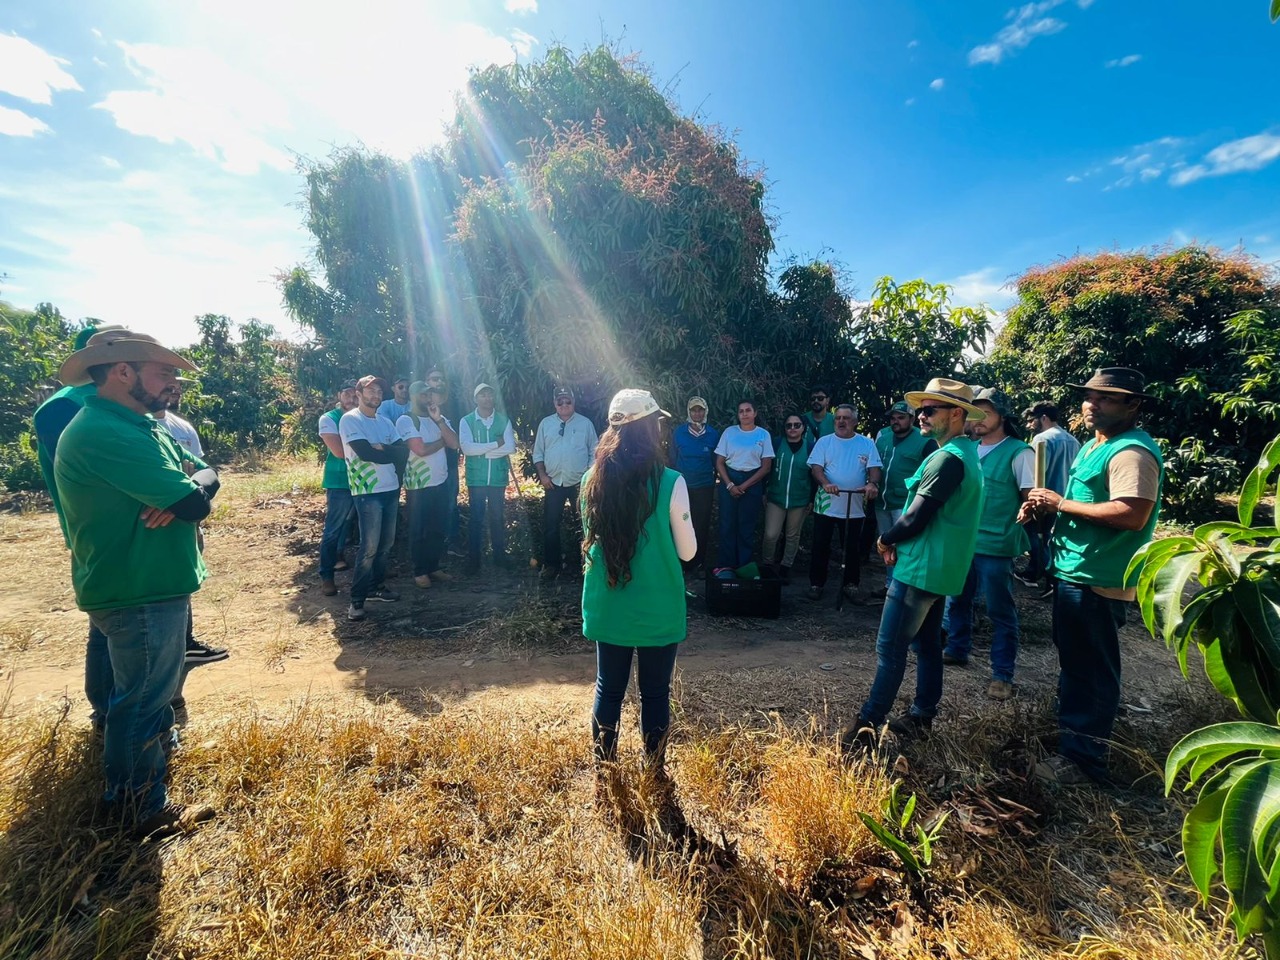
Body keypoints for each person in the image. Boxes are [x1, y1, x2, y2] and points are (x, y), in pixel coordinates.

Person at [54, 329, 220, 839]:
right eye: (164, 371)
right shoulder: (109, 432)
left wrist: (188, 488)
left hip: (135, 581)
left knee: (125, 695)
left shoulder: (139, 424)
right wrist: (188, 494)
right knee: (147, 699)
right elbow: (197, 502)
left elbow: (206, 474)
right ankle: (136, 808)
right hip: (139, 588)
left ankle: (124, 775)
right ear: (122, 371)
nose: (173, 382)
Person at [1019, 367, 1163, 786]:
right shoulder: (1093, 446)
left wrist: (1060, 503)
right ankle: (1074, 740)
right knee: (1076, 662)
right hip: (1074, 571)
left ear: (1133, 405)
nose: (1092, 404)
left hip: (1098, 578)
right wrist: (1045, 507)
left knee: (1092, 670)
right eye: (1089, 396)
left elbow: (1132, 513)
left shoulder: (1131, 453)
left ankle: (1084, 761)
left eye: (1106, 398)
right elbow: (1084, 504)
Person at [845, 379, 985, 748]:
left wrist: (885, 539)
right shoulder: (964, 454)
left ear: (956, 414)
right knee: (925, 647)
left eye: (930, 410)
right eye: (921, 409)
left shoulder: (947, 459)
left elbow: (917, 517)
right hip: (938, 568)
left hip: (920, 569)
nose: (921, 415)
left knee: (890, 650)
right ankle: (922, 715)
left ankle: (865, 728)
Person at [582, 388, 696, 774]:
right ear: (650, 428)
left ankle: (605, 770)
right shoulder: (672, 482)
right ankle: (654, 771)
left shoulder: (590, 481)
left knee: (608, 689)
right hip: (657, 607)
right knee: (655, 694)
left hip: (609, 602)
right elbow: (688, 553)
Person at [940, 388, 1033, 700]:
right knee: (957, 599)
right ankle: (956, 648)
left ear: (1003, 417)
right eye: (974, 413)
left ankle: (1002, 673)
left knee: (999, 609)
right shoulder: (968, 449)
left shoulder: (1020, 452)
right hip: (965, 541)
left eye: (986, 413)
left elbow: (1029, 500)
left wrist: (1028, 513)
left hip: (997, 545)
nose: (977, 420)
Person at [154, 378, 230, 703]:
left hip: (187, 522)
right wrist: (183, 487)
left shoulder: (180, 428)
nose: (173, 390)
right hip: (151, 530)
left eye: (177, 387)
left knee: (183, 589)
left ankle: (186, 645)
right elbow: (188, 480)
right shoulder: (132, 430)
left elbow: (205, 475)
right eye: (167, 383)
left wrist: (182, 493)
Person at [339, 375, 407, 620]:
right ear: (358, 393)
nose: (376, 394)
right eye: (371, 390)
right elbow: (366, 453)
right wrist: (387, 451)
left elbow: (404, 453)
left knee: (385, 545)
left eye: (379, 390)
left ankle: (376, 588)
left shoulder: (385, 422)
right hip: (367, 491)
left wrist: (384, 449)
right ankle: (357, 601)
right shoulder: (350, 420)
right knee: (368, 547)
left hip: (390, 488)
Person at [805, 404, 883, 604]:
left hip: (854, 505)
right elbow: (816, 468)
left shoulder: (866, 444)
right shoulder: (824, 442)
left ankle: (851, 584)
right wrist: (825, 483)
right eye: (838, 418)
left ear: (855, 422)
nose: (841, 421)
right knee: (821, 544)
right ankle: (816, 584)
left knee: (851, 547)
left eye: (846, 418)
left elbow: (874, 468)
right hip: (827, 504)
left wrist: (872, 484)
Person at [397, 381, 460, 589]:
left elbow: (454, 443)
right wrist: (441, 442)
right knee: (419, 529)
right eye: (423, 394)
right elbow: (420, 450)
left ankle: (433, 566)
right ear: (413, 396)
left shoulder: (439, 419)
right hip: (418, 483)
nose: (427, 397)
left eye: (430, 394)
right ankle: (420, 570)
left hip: (441, 481)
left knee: (437, 527)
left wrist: (439, 421)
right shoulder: (406, 420)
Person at [533, 387, 598, 581]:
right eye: (560, 402)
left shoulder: (585, 424)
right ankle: (552, 565)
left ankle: (587, 565)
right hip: (553, 483)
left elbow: (593, 453)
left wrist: (588, 478)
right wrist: (543, 475)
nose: (564, 405)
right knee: (551, 526)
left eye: (567, 401)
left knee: (585, 524)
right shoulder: (546, 424)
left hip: (579, 483)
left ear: (573, 402)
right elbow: (538, 453)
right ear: (555, 403)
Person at [872, 401, 937, 594]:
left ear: (911, 419)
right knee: (885, 546)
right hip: (882, 502)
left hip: (905, 504)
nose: (896, 421)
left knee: (904, 546)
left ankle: (903, 586)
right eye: (893, 418)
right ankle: (889, 585)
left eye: (900, 417)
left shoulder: (925, 441)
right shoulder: (883, 438)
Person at [1020, 401, 1081, 592]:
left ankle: (1047, 575)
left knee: (1034, 537)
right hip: (1063, 499)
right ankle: (1035, 571)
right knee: (1045, 536)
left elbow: (1035, 472)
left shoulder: (1041, 440)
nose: (1030, 426)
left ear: (1044, 418)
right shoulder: (1074, 441)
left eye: (1032, 420)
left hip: (1043, 497)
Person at [458, 382, 517, 573]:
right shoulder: (466, 421)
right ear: (476, 399)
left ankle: (499, 556)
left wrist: (483, 452)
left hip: (497, 478)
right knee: (476, 518)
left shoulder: (503, 420)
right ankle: (474, 560)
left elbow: (510, 447)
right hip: (477, 479)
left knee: (497, 517)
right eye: (482, 395)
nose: (487, 398)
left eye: (490, 394)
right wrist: (495, 444)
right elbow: (467, 448)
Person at [713, 401, 774, 569]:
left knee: (746, 528)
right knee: (727, 525)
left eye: (748, 410)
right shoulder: (729, 432)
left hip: (753, 482)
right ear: (738, 414)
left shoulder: (763, 435)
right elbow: (719, 462)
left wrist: (744, 486)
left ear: (755, 413)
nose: (745, 414)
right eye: (741, 411)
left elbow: (766, 467)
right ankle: (726, 567)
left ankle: (743, 567)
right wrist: (730, 485)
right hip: (729, 479)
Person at [668, 396, 720, 572]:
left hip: (705, 486)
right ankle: (682, 563)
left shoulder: (713, 434)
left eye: (700, 410)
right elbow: (673, 459)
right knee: (681, 522)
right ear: (688, 412)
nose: (697, 413)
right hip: (683, 486)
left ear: (705, 412)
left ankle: (698, 562)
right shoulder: (679, 432)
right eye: (693, 410)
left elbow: (717, 461)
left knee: (701, 524)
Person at [318, 379, 359, 596]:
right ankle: (326, 575)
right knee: (333, 528)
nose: (351, 398)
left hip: (363, 479)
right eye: (347, 393)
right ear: (339, 395)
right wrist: (368, 445)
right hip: (339, 481)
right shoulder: (329, 419)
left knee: (361, 527)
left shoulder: (362, 418)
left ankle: (375, 571)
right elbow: (339, 452)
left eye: (355, 394)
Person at [763, 412, 813, 582]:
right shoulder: (777, 444)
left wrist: (811, 499)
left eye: (796, 425)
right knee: (771, 534)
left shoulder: (810, 447)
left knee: (793, 536)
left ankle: (785, 567)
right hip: (776, 498)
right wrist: (765, 492)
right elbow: (766, 470)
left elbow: (814, 476)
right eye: (788, 425)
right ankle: (768, 565)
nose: (792, 428)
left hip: (799, 500)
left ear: (803, 427)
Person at [426, 367, 464, 557]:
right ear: (427, 382)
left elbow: (459, 437)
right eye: (434, 379)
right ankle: (430, 544)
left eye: (441, 379)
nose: (438, 382)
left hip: (449, 460)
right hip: (424, 463)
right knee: (427, 504)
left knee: (450, 501)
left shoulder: (454, 406)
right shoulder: (421, 405)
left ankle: (452, 542)